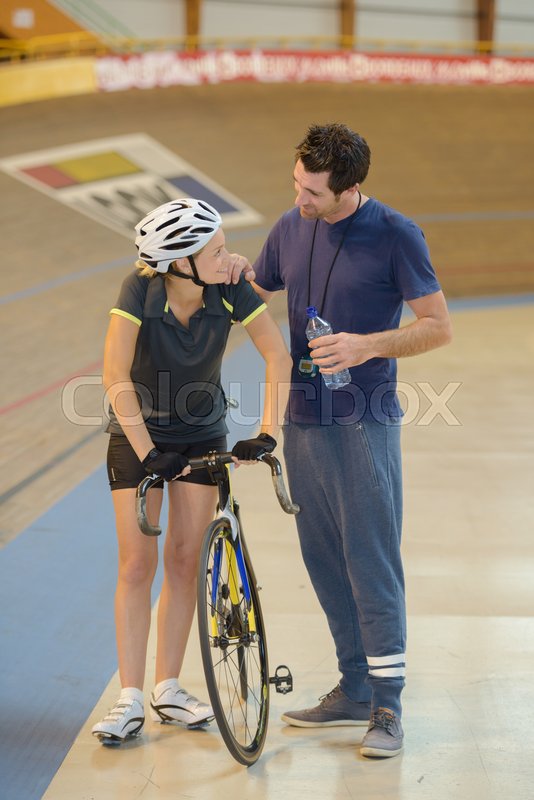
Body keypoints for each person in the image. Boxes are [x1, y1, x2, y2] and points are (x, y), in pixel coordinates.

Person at [251, 123, 452, 758]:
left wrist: (366, 345)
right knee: (324, 558)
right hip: (303, 417)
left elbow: (437, 327)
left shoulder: (396, 234)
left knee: (370, 558)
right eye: (297, 185)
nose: (301, 200)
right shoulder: (289, 225)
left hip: (363, 419)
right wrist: (221, 271)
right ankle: (356, 686)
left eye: (313, 192)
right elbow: (255, 292)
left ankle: (388, 707)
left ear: (350, 187)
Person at [91, 198, 292, 744]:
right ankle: (130, 695)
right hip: (137, 434)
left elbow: (278, 356)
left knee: (185, 561)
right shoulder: (138, 290)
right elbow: (114, 372)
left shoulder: (229, 288)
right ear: (180, 262)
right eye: (218, 251)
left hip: (202, 432)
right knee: (137, 564)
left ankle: (168, 687)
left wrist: (267, 430)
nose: (232, 259)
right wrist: (149, 451)